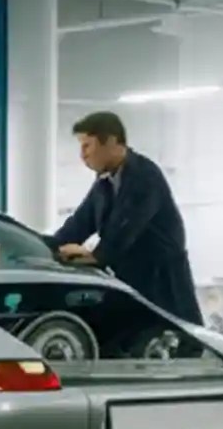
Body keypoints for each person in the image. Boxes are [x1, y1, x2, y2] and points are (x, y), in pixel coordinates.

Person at [45, 111, 205, 326]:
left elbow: (124, 228)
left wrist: (95, 255)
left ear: (110, 141)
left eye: (87, 146)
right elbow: (79, 224)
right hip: (131, 281)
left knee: (176, 345)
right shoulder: (105, 183)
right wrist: (43, 248)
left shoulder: (144, 176)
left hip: (162, 285)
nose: (82, 155)